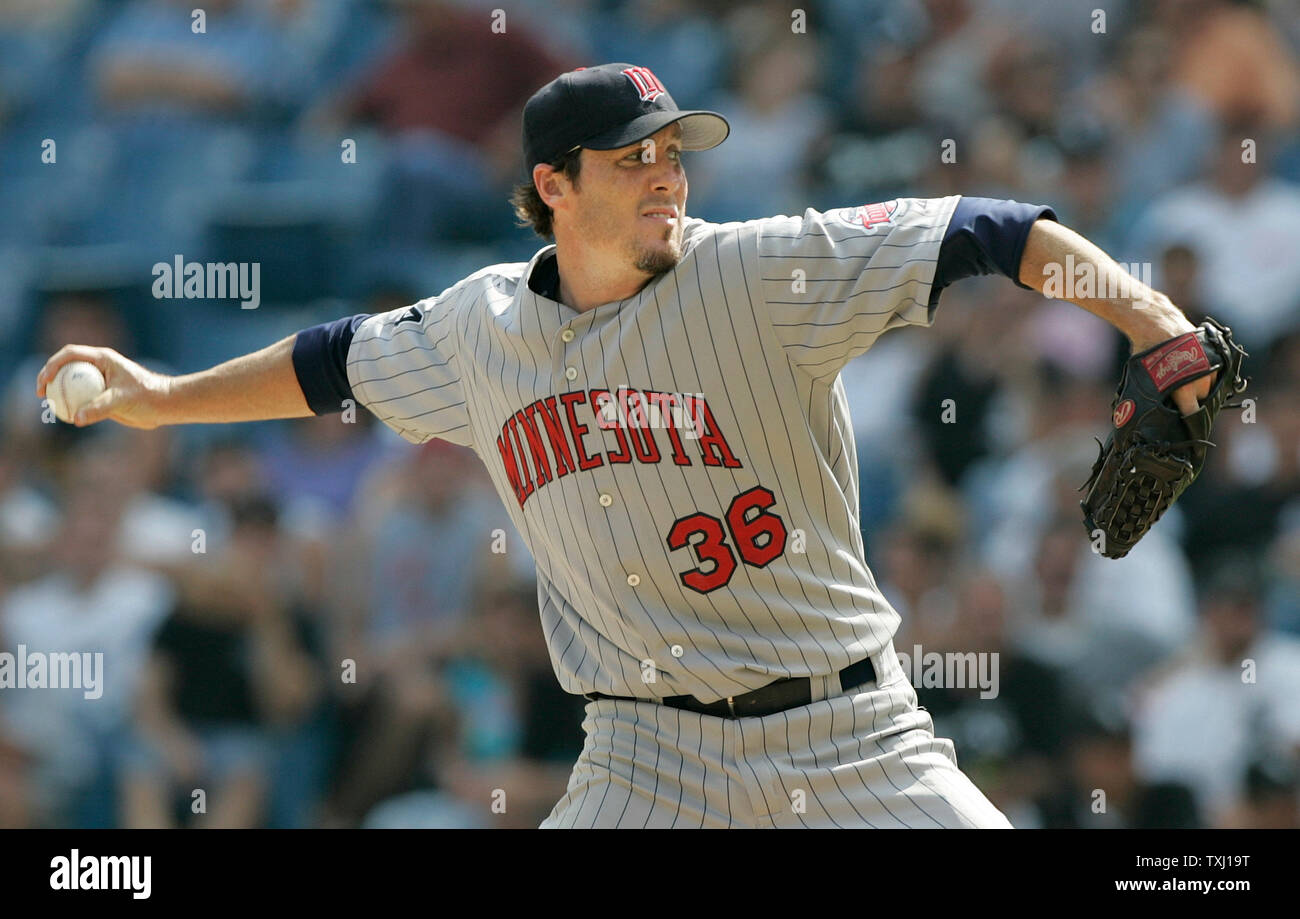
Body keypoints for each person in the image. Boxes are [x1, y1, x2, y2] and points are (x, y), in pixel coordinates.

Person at [37, 63, 1216, 829]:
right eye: (632, 158)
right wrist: (157, 397)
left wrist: (1151, 322)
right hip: (640, 755)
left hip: (850, 736)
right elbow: (321, 365)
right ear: (551, 184)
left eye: (673, 151)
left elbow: (992, 229)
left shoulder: (758, 269)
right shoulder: (476, 326)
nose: (666, 176)